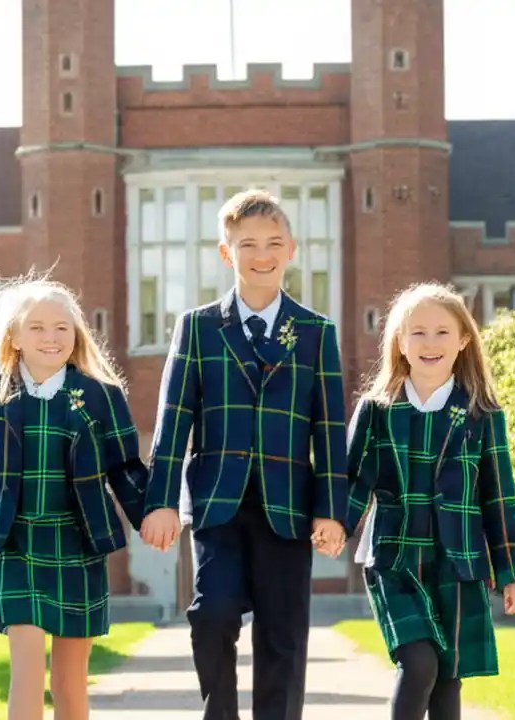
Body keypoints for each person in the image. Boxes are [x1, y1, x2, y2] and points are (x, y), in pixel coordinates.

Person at [140, 188, 348, 720]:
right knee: (213, 616)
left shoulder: (316, 333)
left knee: (283, 636)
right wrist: (160, 501)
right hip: (217, 506)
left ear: (292, 249)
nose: (262, 254)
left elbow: (328, 429)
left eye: (274, 242)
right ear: (226, 252)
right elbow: (173, 419)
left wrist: (331, 509)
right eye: (248, 244)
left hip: (288, 510)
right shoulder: (199, 327)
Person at [0, 276, 147, 720]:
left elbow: (125, 468)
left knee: (70, 682)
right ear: (13, 337)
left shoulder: (102, 396)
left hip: (80, 544)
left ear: (76, 336)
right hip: (14, 545)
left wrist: (151, 516)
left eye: (61, 327)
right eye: (36, 327)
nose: (51, 337)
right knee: (27, 671)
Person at [344, 283, 515, 720]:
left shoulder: (483, 414)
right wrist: (334, 525)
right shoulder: (376, 411)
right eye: (418, 332)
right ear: (400, 343)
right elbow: (352, 481)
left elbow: (499, 499)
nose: (430, 343)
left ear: (463, 340)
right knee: (419, 662)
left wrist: (511, 573)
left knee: (448, 675)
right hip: (394, 559)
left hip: (459, 562)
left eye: (442, 332)